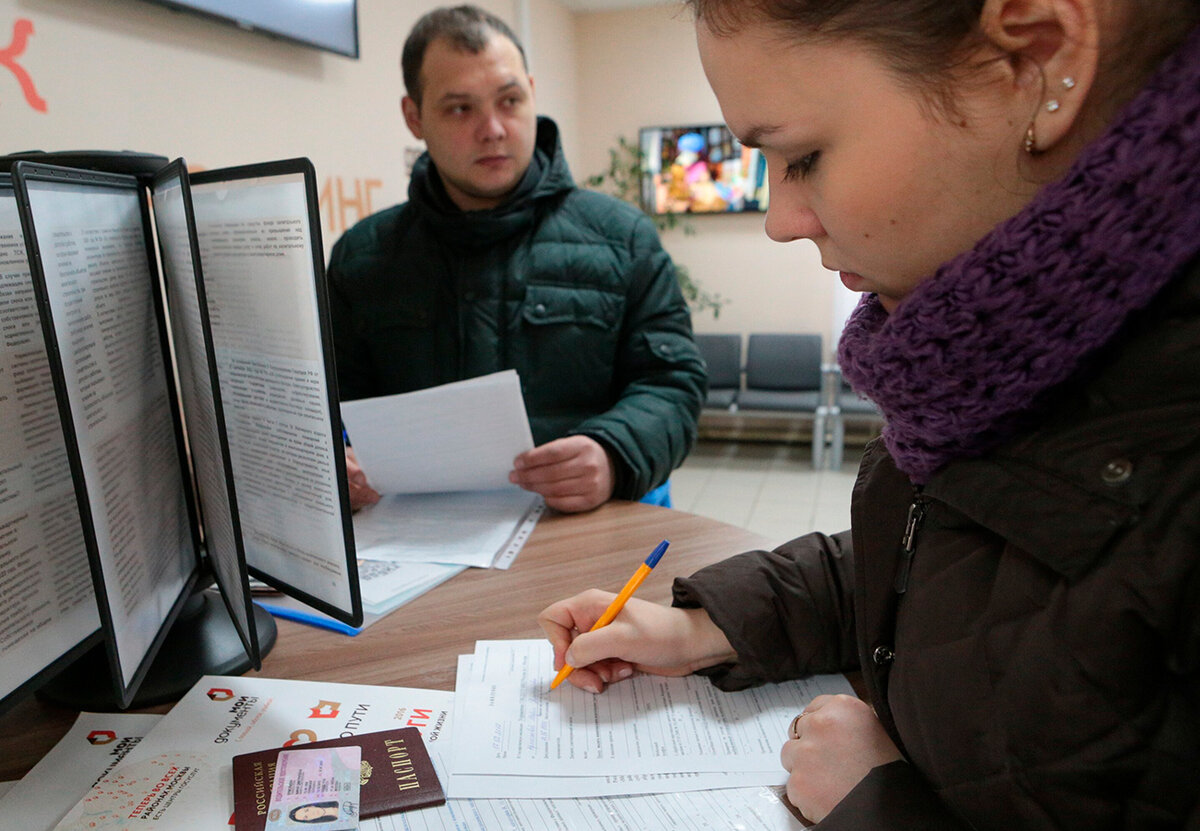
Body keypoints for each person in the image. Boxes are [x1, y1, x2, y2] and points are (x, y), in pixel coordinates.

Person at [540, 0, 1200, 826]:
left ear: (1037, 62)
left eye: (804, 156)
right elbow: (941, 567)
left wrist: (879, 807)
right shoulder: (994, 363)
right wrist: (704, 625)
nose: (781, 220)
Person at [327, 5, 705, 514]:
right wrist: (336, 458)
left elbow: (671, 383)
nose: (493, 129)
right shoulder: (363, 256)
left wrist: (612, 452)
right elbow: (329, 401)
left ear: (531, 91)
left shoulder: (623, 237)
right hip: (415, 541)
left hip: (582, 530)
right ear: (414, 117)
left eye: (509, 100)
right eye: (460, 109)